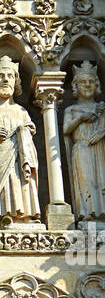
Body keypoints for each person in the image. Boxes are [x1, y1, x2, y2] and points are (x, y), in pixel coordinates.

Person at [0, 55, 40, 224]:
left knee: (21, 179)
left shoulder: (20, 110)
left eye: (10, 76)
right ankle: (6, 212)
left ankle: (27, 214)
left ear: (16, 82)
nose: (5, 80)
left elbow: (30, 128)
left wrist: (23, 131)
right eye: (1, 76)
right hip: (1, 153)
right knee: (6, 181)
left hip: (19, 154)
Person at [63, 60, 105, 221]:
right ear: (75, 86)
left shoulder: (102, 109)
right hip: (82, 148)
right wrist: (81, 118)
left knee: (101, 181)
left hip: (99, 148)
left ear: (96, 84)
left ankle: (102, 213)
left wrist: (101, 132)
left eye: (91, 82)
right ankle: (87, 212)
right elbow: (66, 129)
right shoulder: (71, 109)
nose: (87, 85)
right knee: (86, 180)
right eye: (83, 82)